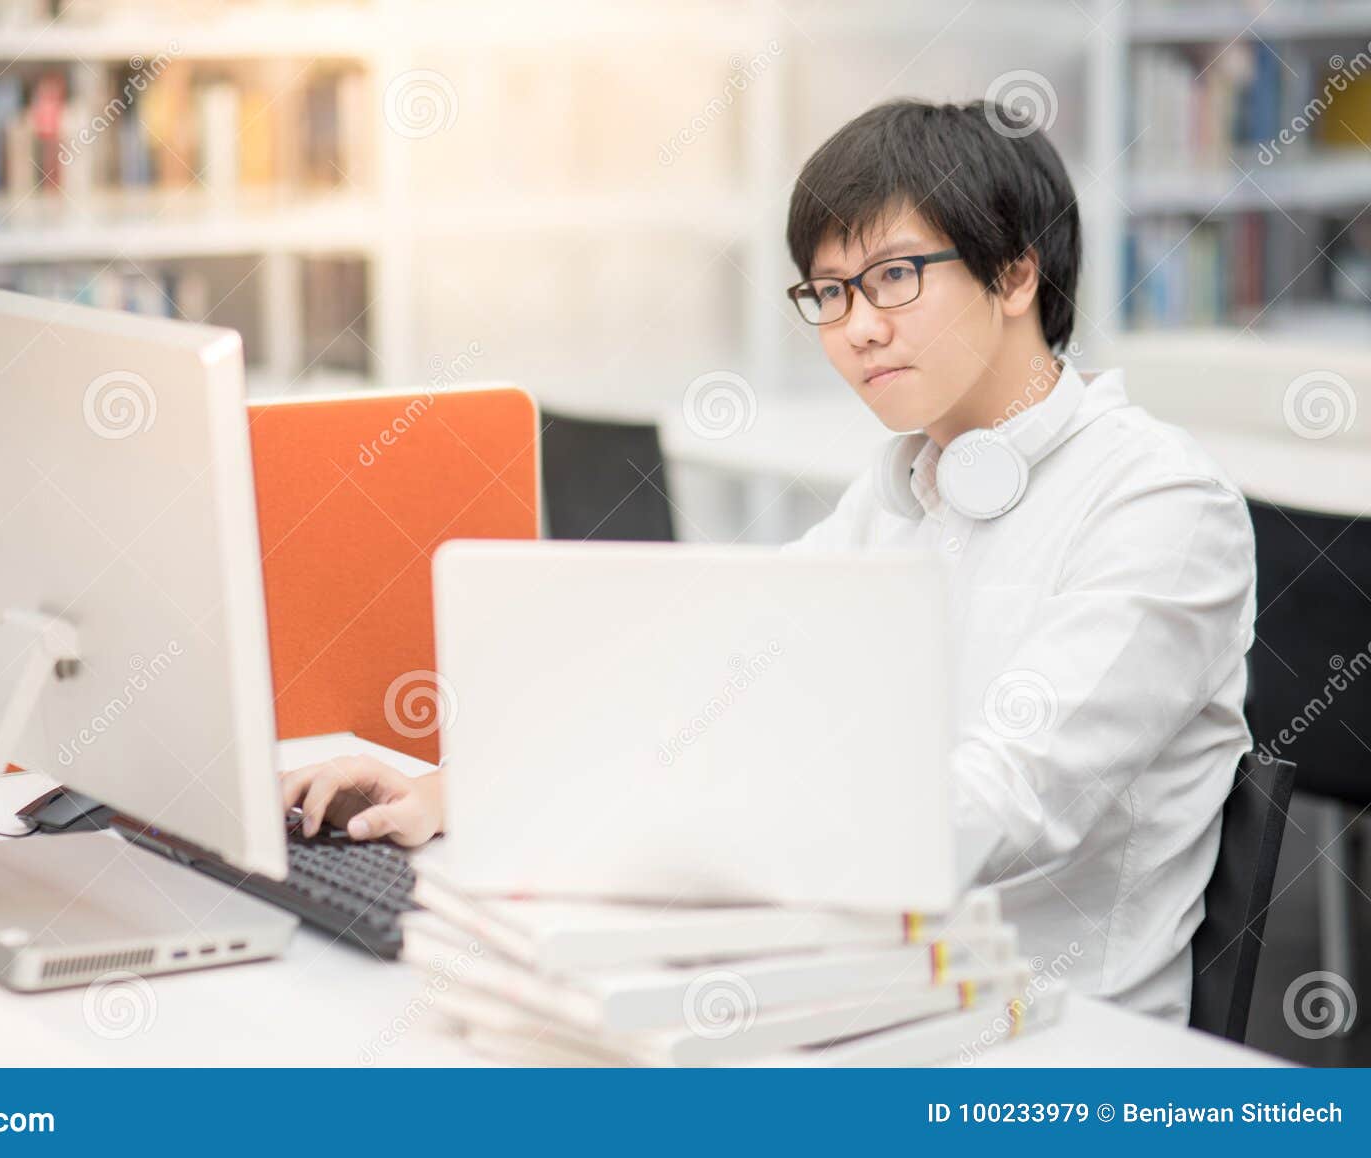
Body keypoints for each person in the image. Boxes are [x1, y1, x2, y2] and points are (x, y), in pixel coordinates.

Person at [280, 97, 1257, 1024]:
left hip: (1042, 1033)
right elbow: (717, 677)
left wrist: (645, 839)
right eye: (829, 293)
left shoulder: (1160, 507)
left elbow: (986, 810)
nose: (856, 328)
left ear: (1012, 275)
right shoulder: (906, 489)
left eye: (893, 278)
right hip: (854, 978)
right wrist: (465, 791)